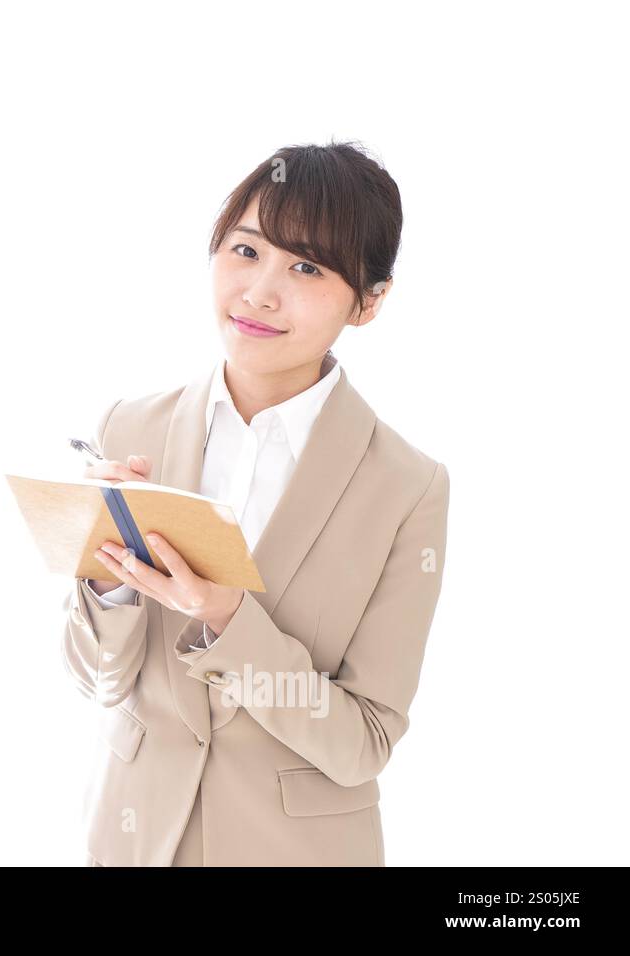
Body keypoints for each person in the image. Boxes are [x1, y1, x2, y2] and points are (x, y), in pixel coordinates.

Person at [62, 141, 449, 866]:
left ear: (369, 300)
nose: (260, 292)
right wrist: (111, 579)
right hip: (133, 839)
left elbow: (362, 743)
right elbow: (96, 679)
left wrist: (229, 620)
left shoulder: (407, 486)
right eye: (245, 251)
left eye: (306, 267)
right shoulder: (129, 429)